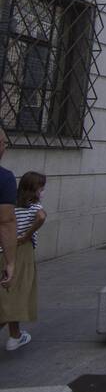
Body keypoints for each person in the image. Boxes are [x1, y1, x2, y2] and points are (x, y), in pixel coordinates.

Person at [1, 172, 46, 352]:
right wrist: (27, 235)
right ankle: (14, 336)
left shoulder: (11, 204)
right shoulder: (34, 206)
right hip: (20, 252)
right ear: (34, 189)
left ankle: (15, 335)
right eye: (41, 188)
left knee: (9, 294)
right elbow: (42, 217)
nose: (43, 192)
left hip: (3, 249)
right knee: (15, 295)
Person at [0, 129, 17, 300]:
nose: (5, 147)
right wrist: (10, 262)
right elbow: (6, 222)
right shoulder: (4, 178)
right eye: (4, 142)